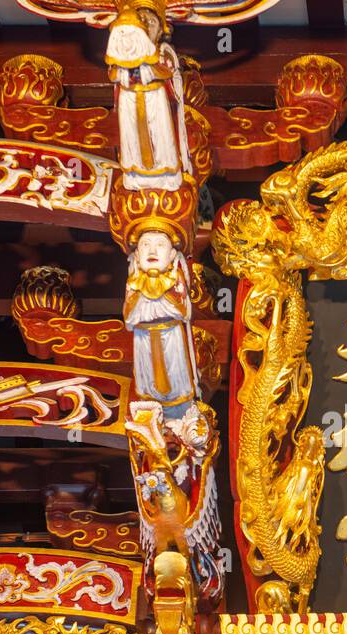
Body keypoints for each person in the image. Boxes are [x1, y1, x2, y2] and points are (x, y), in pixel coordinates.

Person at [106, 0, 191, 191]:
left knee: (161, 136)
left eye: (150, 23)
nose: (144, 28)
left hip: (156, 100)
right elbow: (113, 75)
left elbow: (167, 73)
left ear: (161, 31)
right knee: (131, 138)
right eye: (140, 22)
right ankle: (134, 174)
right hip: (129, 101)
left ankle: (168, 174)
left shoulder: (162, 52)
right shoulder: (120, 54)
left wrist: (147, 60)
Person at [124, 228, 200, 417]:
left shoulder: (174, 279)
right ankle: (151, 407)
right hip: (143, 337)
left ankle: (180, 409)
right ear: (137, 254)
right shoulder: (133, 281)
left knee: (176, 374)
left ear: (173, 254)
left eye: (160, 245)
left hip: (171, 334)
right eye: (145, 245)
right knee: (146, 376)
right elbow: (129, 317)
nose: (152, 251)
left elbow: (184, 311)